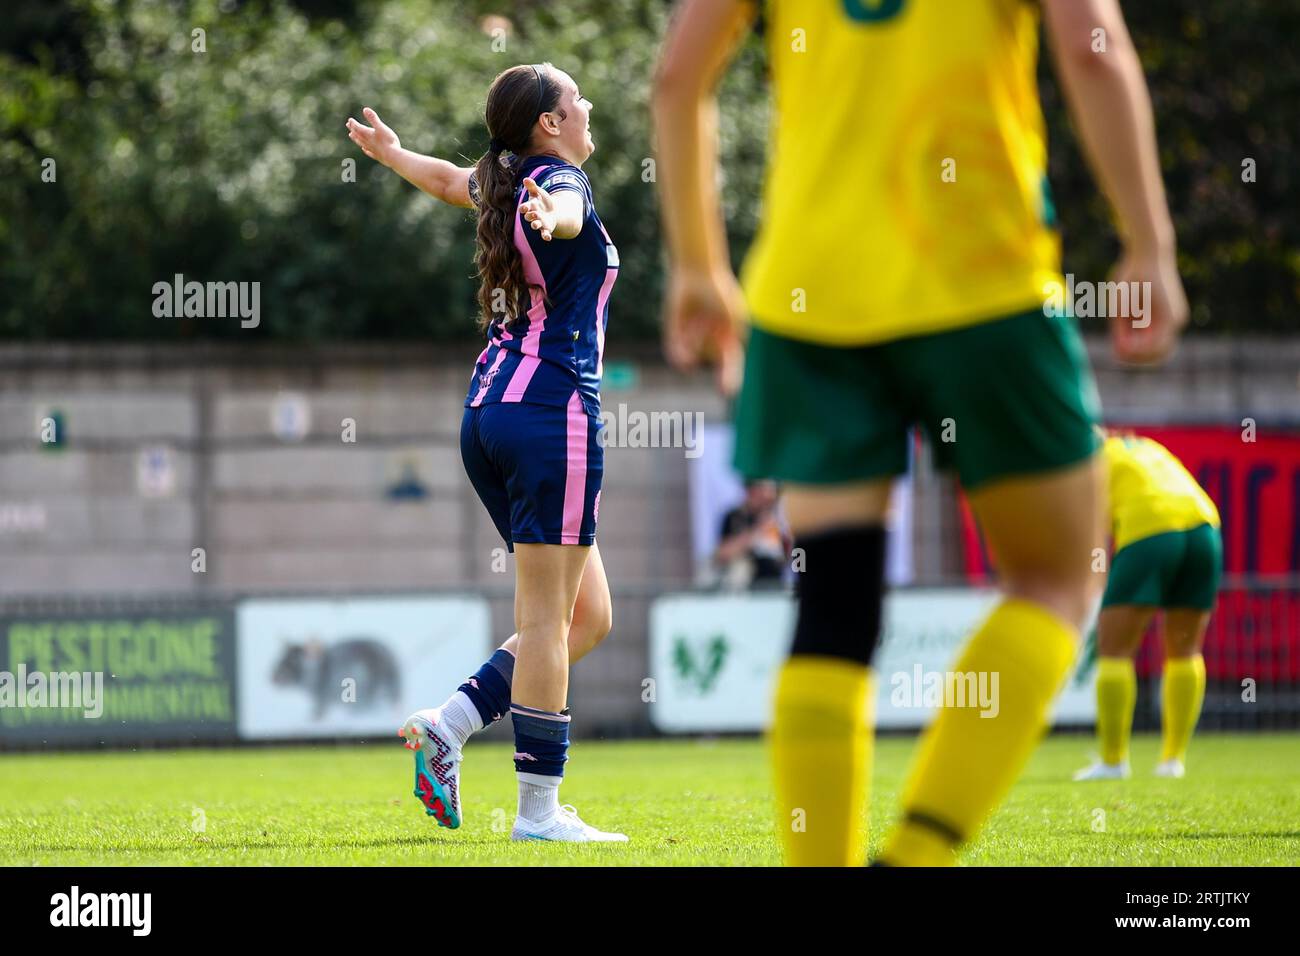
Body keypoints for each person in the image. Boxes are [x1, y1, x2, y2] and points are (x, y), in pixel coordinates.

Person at [653, 0, 1188, 865]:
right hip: (983, 283)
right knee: (1056, 577)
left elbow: (678, 79)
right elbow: (1093, 51)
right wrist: (1148, 244)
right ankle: (919, 857)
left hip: (808, 301)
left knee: (832, 606)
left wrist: (698, 265)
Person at [347, 62, 626, 842]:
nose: (587, 104)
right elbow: (565, 212)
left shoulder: (503, 181)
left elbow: (446, 180)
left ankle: (451, 723)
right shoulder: (556, 185)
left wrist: (394, 155)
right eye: (575, 99)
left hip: (489, 412)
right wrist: (560, 218)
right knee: (545, 620)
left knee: (586, 616)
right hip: (549, 410)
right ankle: (539, 812)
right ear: (548, 124)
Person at [1075, 428, 1221, 781]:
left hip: (1150, 530)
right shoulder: (1143, 446)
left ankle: (1113, 762)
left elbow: (1086, 533)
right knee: (1185, 650)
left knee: (1113, 650)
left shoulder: (1086, 463)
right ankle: (1172, 761)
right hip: (1205, 529)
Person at [714, 480, 790, 589]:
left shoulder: (779, 518)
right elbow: (722, 554)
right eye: (761, 490)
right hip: (744, 587)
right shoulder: (735, 516)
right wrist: (757, 531)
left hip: (774, 585)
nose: (765, 496)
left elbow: (793, 557)